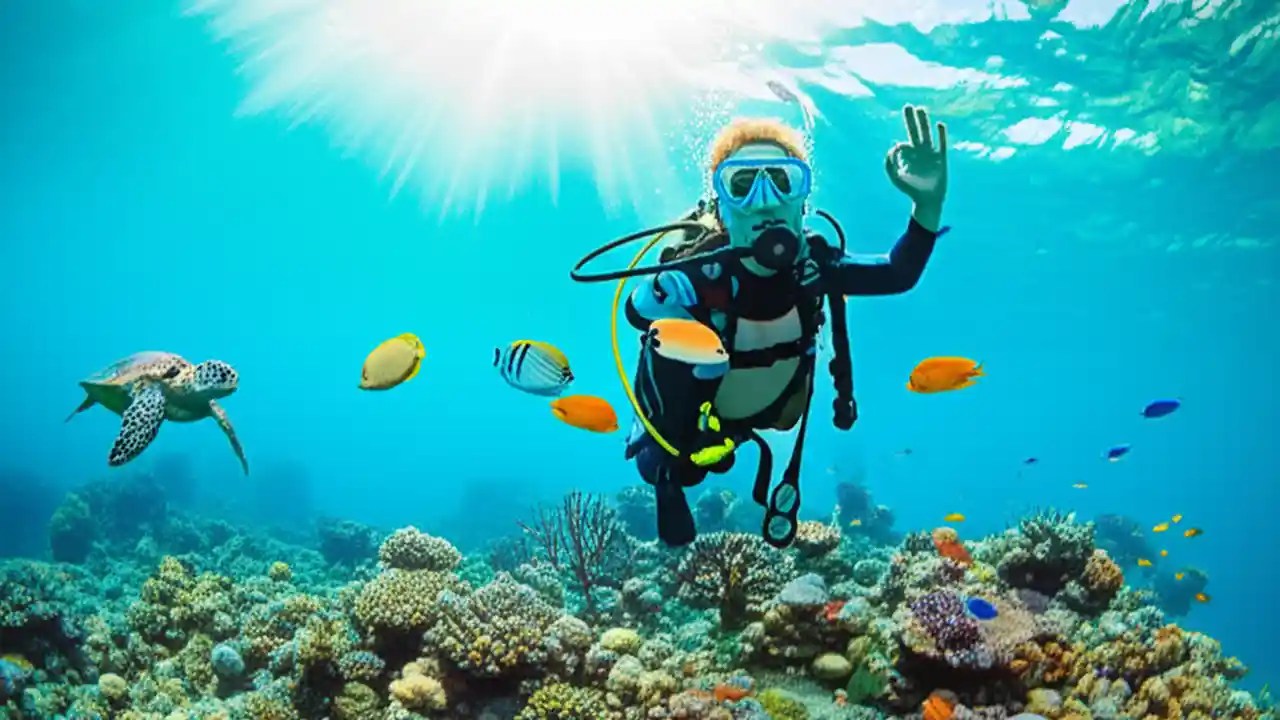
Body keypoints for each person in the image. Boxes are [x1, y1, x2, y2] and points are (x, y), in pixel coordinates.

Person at [572, 104, 949, 548]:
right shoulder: (698, 273)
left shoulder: (815, 265)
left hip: (777, 411)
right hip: (699, 421)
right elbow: (637, 313)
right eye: (743, 185)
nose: (765, 200)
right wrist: (666, 289)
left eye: (783, 180)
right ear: (721, 207)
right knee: (675, 467)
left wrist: (927, 205)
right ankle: (667, 469)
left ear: (802, 202)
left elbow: (896, 274)